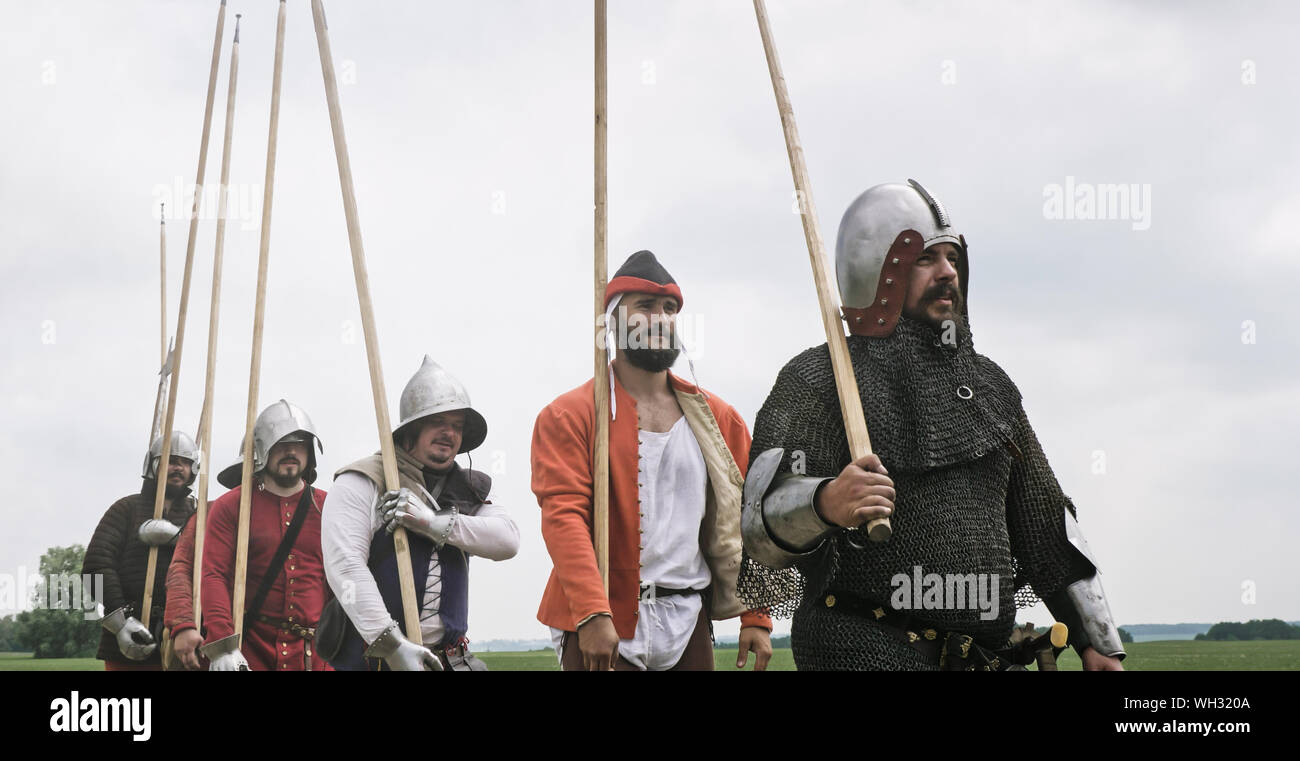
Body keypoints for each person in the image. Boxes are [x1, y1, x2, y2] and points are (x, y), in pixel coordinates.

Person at [738, 180, 1125, 671]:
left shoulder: (988, 387)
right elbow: (758, 523)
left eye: (953, 258)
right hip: (861, 649)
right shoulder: (820, 380)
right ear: (878, 272)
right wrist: (824, 502)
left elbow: (1047, 528)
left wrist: (1097, 642)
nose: (948, 272)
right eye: (925, 259)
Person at [532, 250, 773, 671]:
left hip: (687, 616)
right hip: (602, 616)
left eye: (669, 308)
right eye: (644, 306)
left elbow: (748, 516)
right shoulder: (569, 415)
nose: (660, 317)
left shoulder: (719, 420)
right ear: (613, 321)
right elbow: (563, 517)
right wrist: (591, 612)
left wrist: (756, 615)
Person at [323, 357, 519, 671]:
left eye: (456, 426)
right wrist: (392, 645)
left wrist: (430, 522)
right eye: (438, 422)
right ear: (412, 428)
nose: (449, 433)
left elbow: (507, 540)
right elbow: (345, 567)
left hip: (450, 661)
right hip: (375, 660)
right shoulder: (361, 481)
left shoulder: (471, 486)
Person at [200, 400, 329, 671]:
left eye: (299, 443)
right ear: (261, 450)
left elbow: (347, 579)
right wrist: (223, 645)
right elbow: (214, 575)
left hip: (315, 657)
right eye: (281, 444)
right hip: (250, 651)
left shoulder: (329, 506)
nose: (291, 451)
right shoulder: (231, 506)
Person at [83, 431, 199, 671]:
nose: (179, 468)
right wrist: (121, 622)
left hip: (184, 636)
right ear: (154, 464)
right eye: (171, 460)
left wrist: (180, 537)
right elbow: (95, 568)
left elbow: (213, 566)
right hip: (132, 635)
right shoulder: (126, 509)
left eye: (185, 462)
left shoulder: (199, 512)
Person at [162, 444, 246, 670]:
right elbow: (180, 571)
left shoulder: (290, 517)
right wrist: (183, 624)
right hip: (210, 638)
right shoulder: (207, 514)